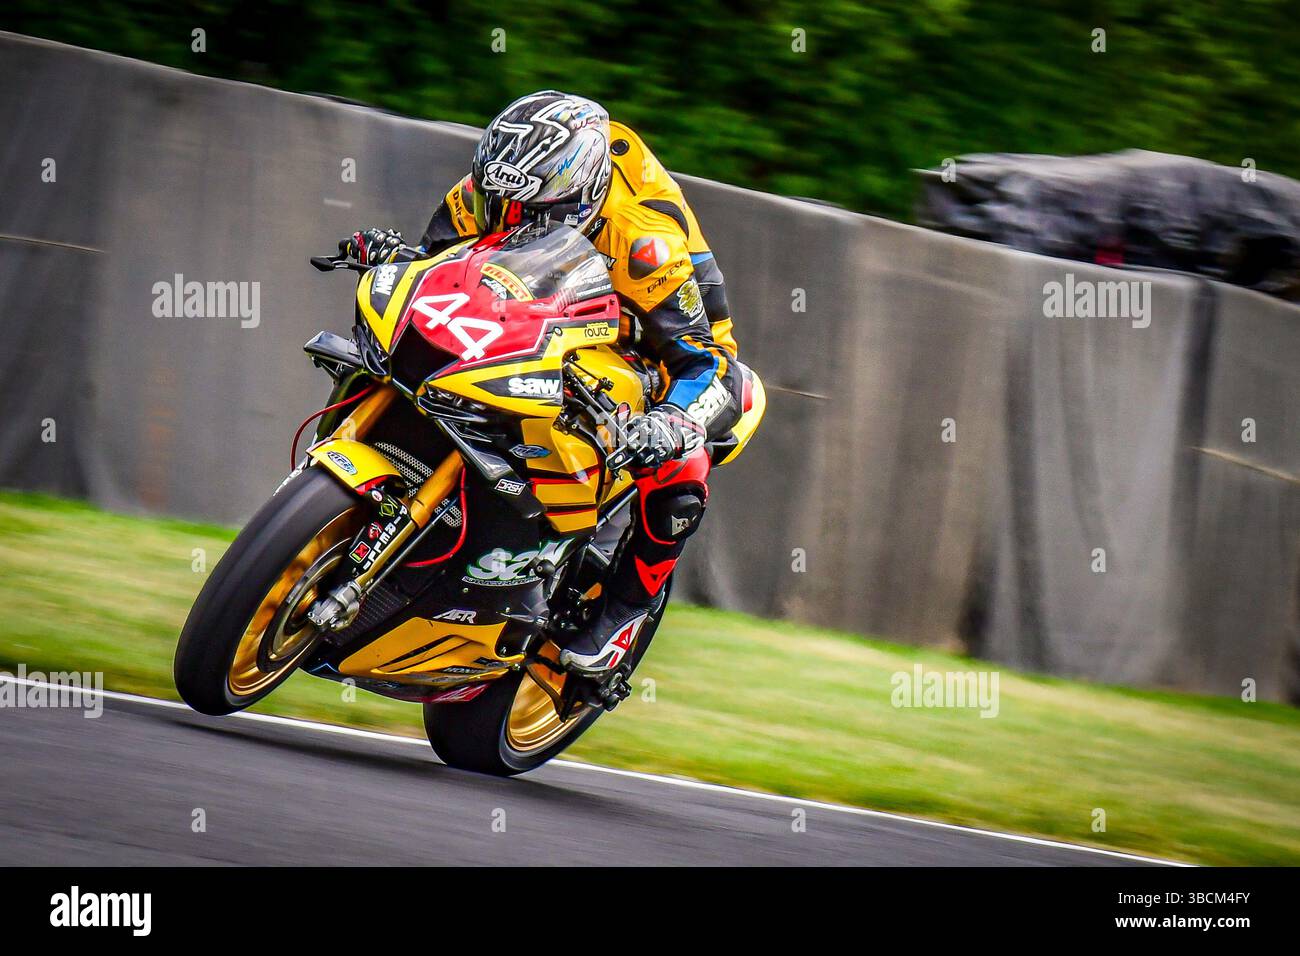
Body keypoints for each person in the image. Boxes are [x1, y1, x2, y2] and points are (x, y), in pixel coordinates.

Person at [343, 91, 747, 675]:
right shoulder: (491, 192)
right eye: (497, 202)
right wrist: (392, 255)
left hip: (651, 335)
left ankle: (624, 609)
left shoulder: (642, 245)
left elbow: (709, 364)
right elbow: (437, 261)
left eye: (525, 214)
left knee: (679, 461)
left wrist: (674, 419)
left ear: (577, 200)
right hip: (538, 300)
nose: (506, 220)